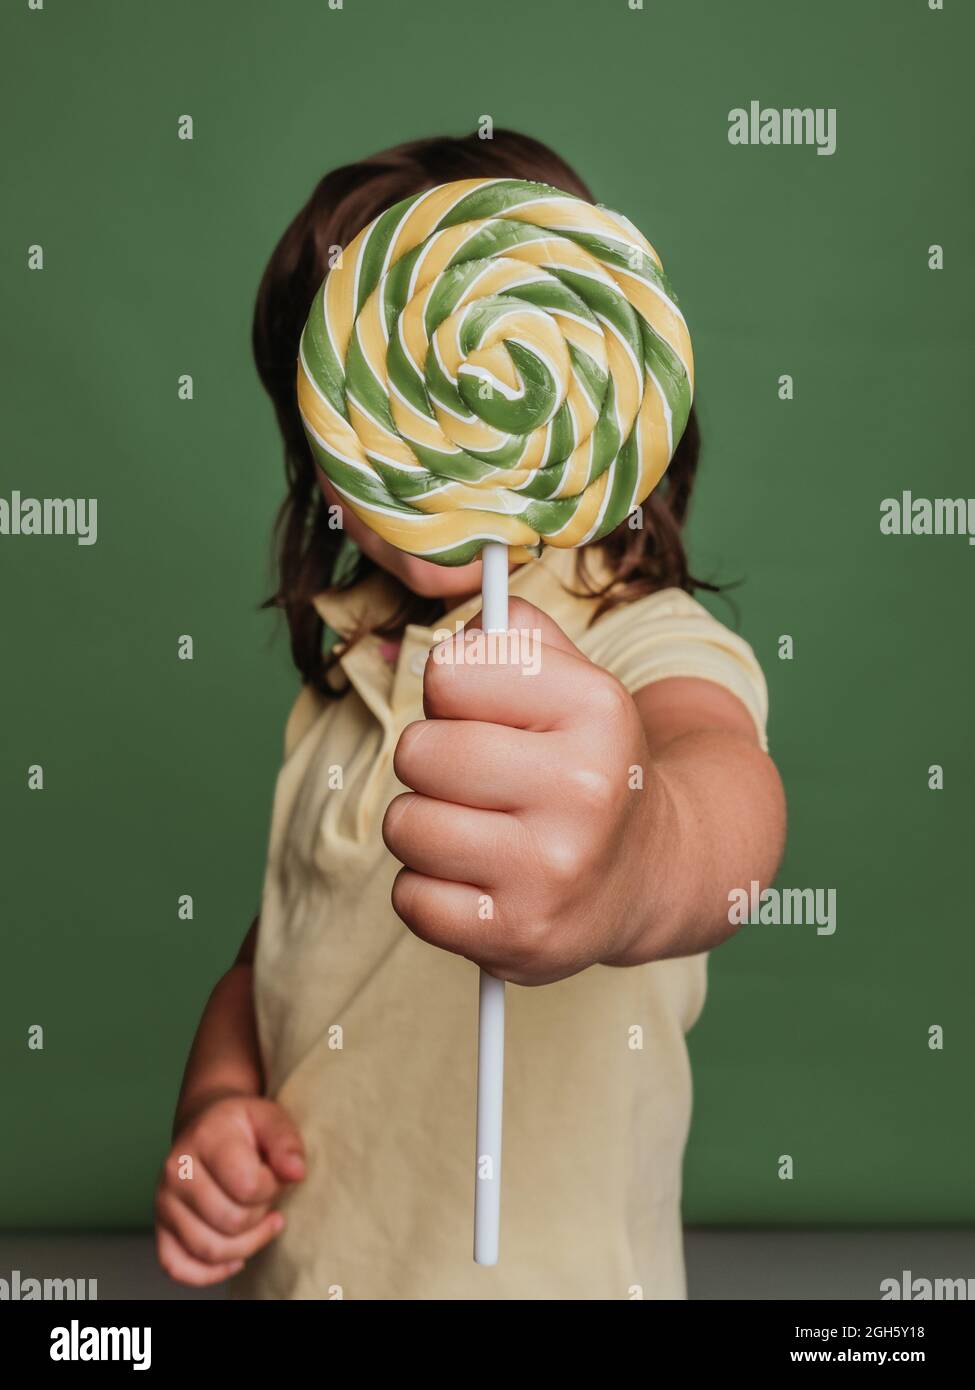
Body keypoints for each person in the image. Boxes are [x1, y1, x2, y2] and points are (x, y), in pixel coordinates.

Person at [155, 129, 786, 1300]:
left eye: (485, 373)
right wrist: (216, 1099)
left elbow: (720, 801)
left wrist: (634, 854)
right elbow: (273, 954)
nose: (447, 426)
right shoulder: (345, 678)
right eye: (380, 390)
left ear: (592, 384)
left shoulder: (629, 645)